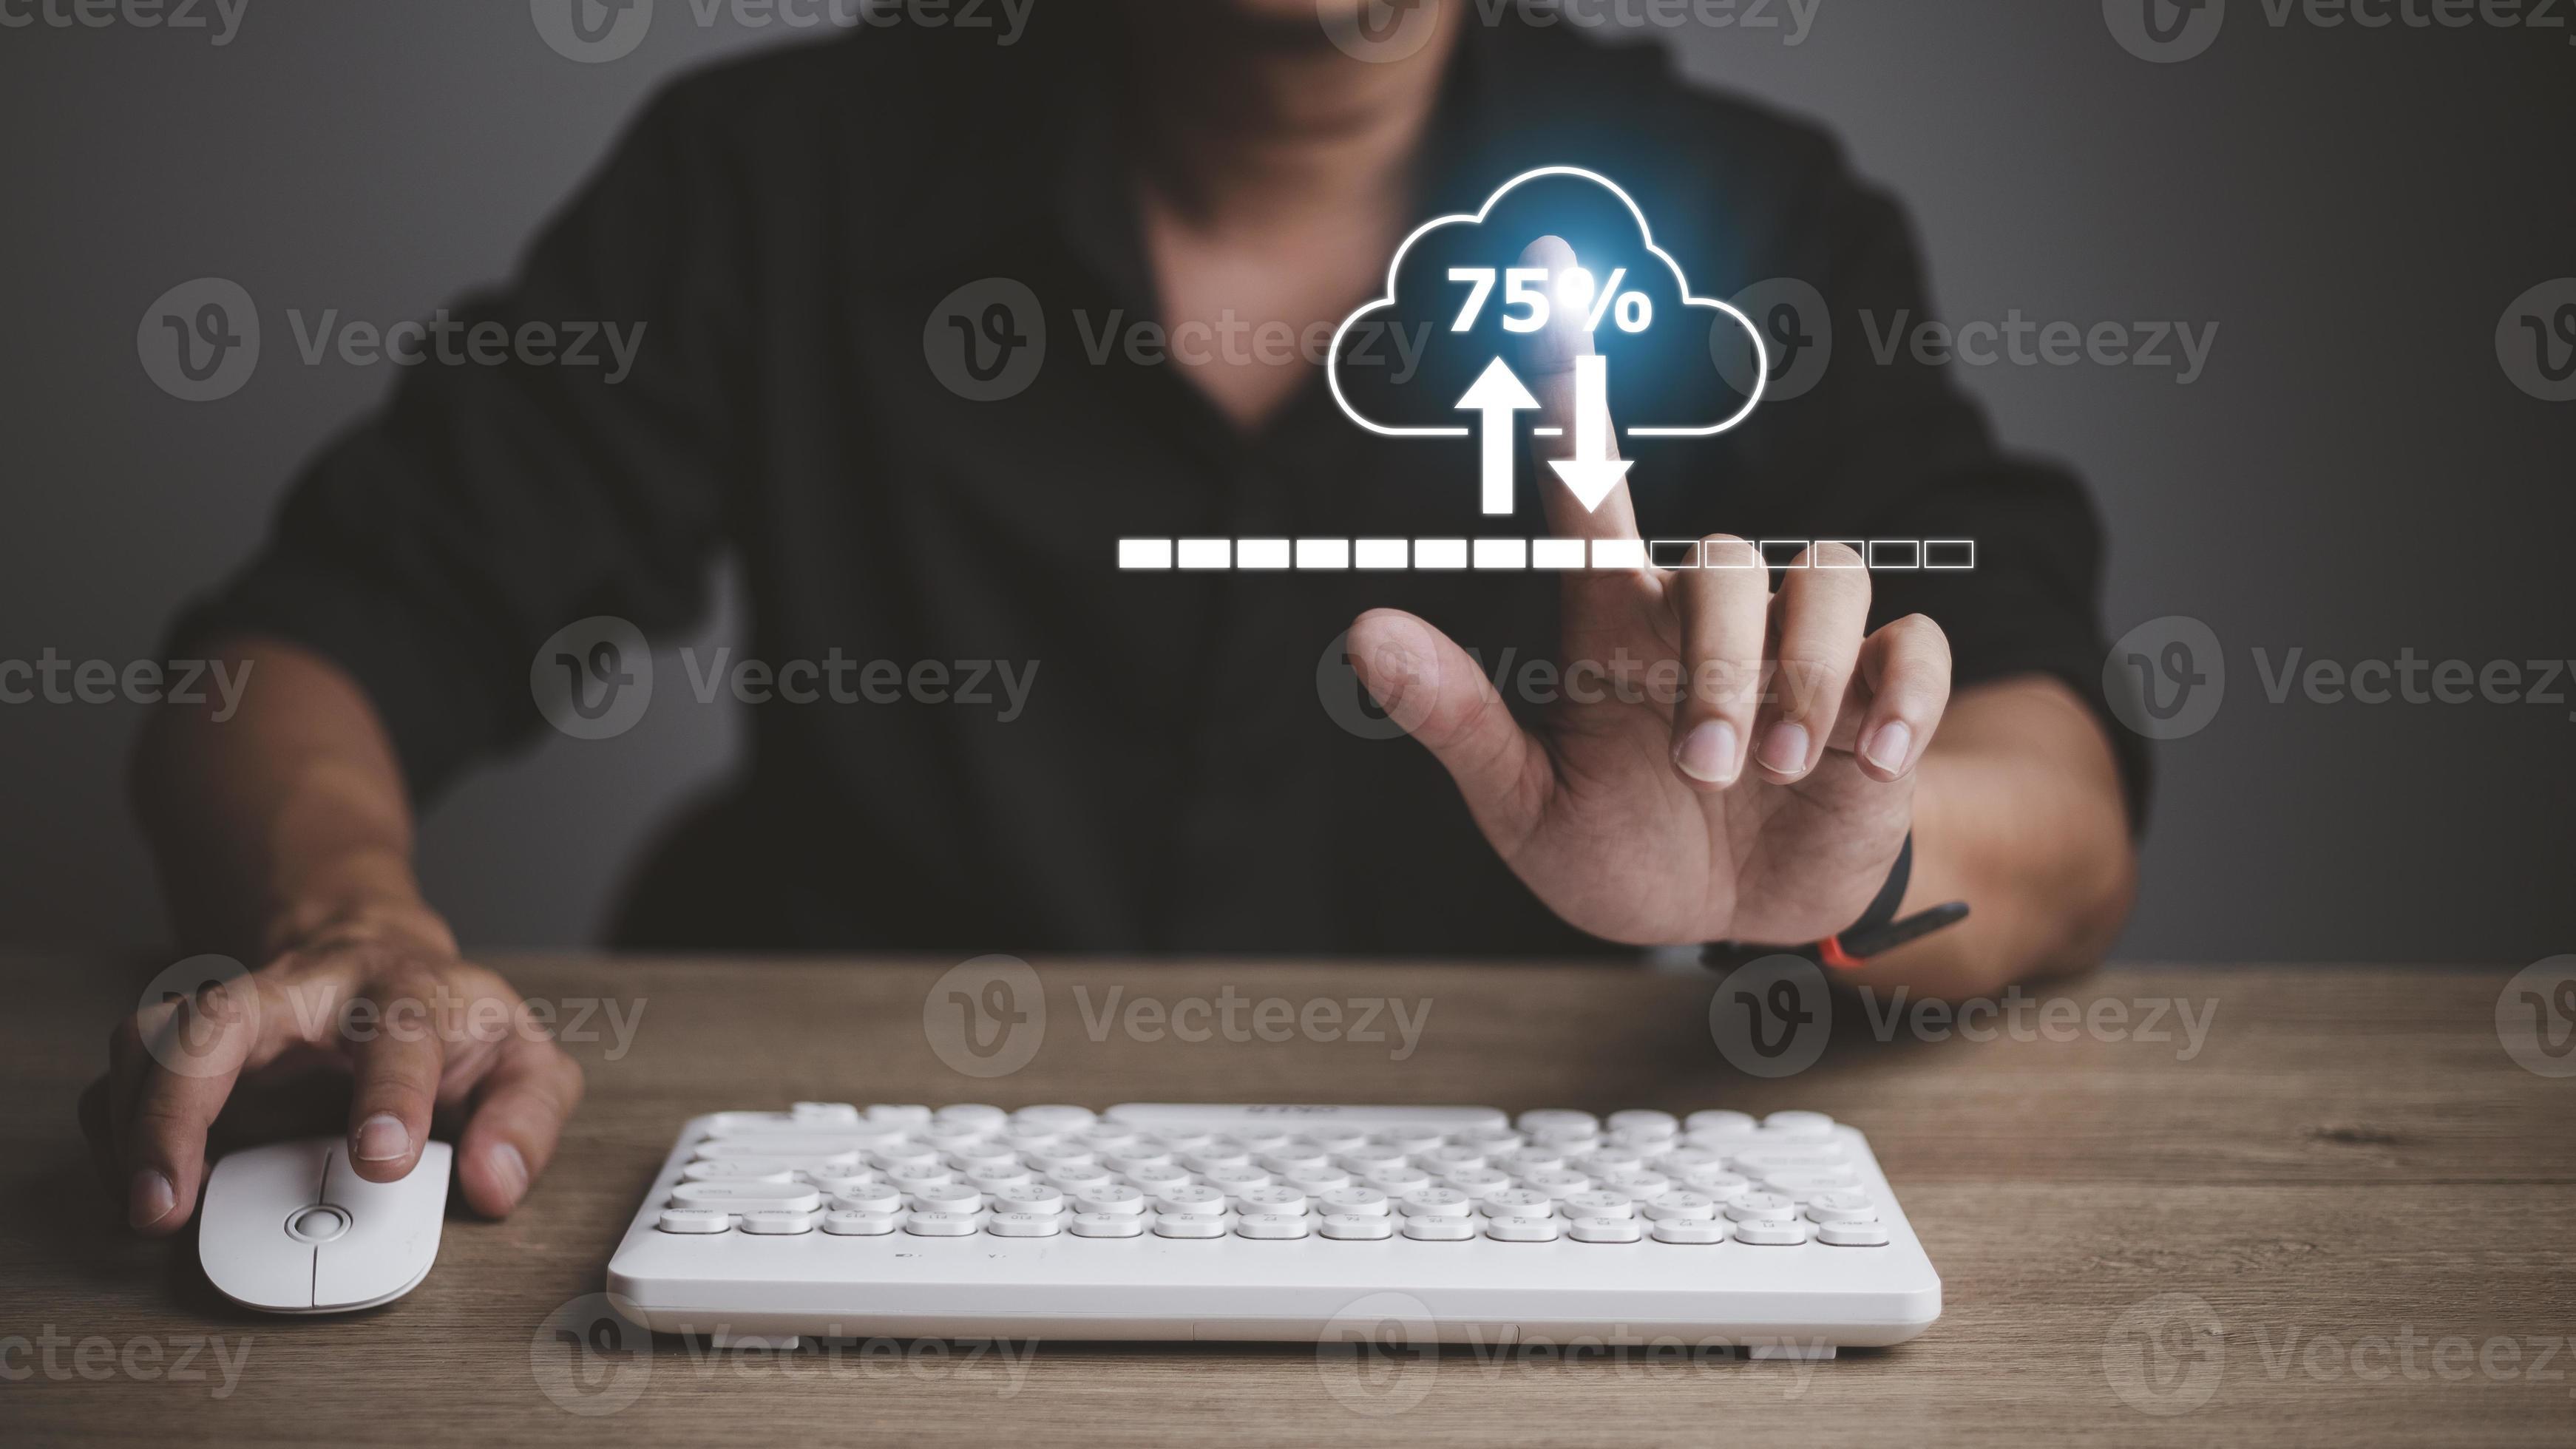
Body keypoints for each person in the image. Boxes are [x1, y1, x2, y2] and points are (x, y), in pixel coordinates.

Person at [89, 3, 2140, 1237]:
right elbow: (296, 652)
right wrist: (348, 916)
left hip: (1501, 1212)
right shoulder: (781, 174)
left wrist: (1859, 864)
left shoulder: (1752, 224)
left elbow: (2059, 793)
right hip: (839, 1199)